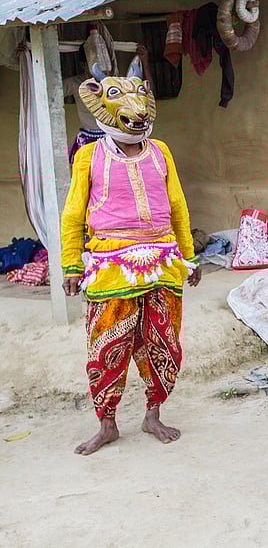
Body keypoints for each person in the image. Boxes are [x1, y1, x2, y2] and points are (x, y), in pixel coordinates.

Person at [61, 58, 200, 455]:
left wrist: (188, 257)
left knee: (163, 343)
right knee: (107, 347)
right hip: (110, 266)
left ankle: (152, 414)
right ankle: (107, 425)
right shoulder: (88, 156)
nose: (137, 112)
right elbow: (73, 212)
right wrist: (72, 263)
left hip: (163, 262)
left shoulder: (160, 151)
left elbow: (177, 206)